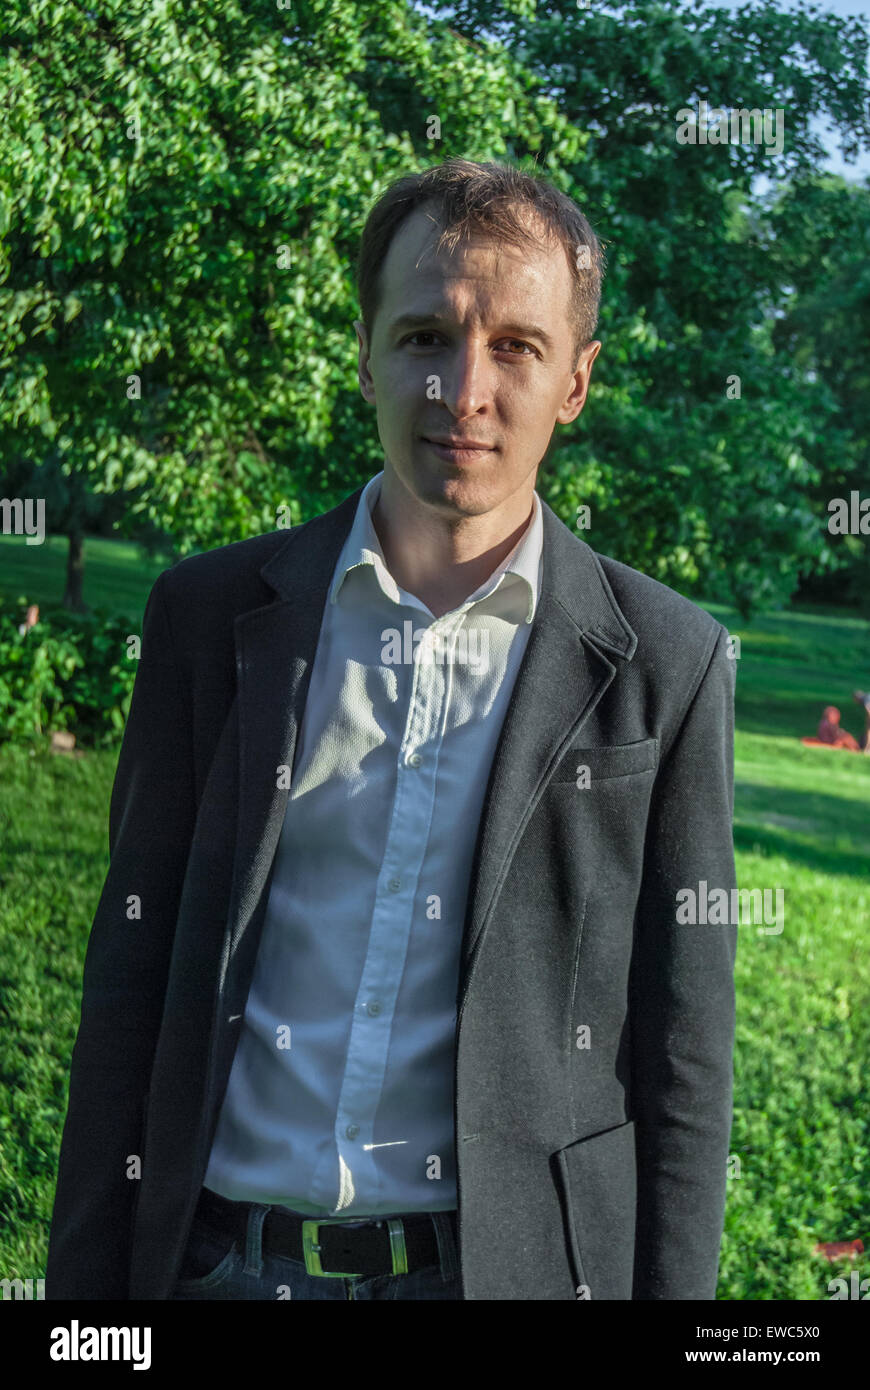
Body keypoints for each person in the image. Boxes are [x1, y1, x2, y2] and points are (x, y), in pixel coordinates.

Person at [46, 158, 737, 1302]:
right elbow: (127, 990)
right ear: (365, 350)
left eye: (516, 346)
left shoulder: (669, 664)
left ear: (577, 380)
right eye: (424, 336)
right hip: (221, 1267)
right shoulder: (207, 619)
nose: (462, 391)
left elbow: (684, 1061)